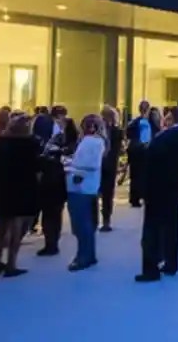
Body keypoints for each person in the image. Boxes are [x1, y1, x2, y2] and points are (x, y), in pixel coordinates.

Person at [137, 107, 178, 281]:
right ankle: (171, 262)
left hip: (156, 189)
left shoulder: (164, 137)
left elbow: (150, 159)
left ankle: (151, 268)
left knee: (152, 229)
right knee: (172, 227)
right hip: (173, 188)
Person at [0, 111, 40, 277]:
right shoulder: (31, 144)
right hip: (23, 187)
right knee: (18, 224)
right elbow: (36, 166)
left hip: (2, 187)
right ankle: (11, 263)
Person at [65, 113, 106, 271]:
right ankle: (89, 254)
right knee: (87, 222)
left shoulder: (91, 141)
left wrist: (70, 166)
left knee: (81, 223)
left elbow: (90, 164)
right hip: (88, 186)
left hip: (80, 186)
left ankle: (83, 256)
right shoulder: (98, 141)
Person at [33, 106, 75, 256]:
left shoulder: (59, 140)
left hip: (53, 179)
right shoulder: (60, 138)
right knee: (53, 213)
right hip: (56, 179)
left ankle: (51, 242)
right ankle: (51, 241)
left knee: (51, 213)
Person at [99, 106, 124, 232]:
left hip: (106, 165)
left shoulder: (115, 131)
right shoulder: (102, 131)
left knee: (106, 194)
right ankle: (105, 219)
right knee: (107, 194)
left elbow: (117, 149)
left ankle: (106, 219)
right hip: (106, 165)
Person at [126, 100, 154, 208]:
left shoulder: (134, 122)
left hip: (135, 151)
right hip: (144, 150)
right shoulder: (149, 123)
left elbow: (129, 134)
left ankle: (134, 198)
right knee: (145, 175)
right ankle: (143, 196)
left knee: (135, 176)